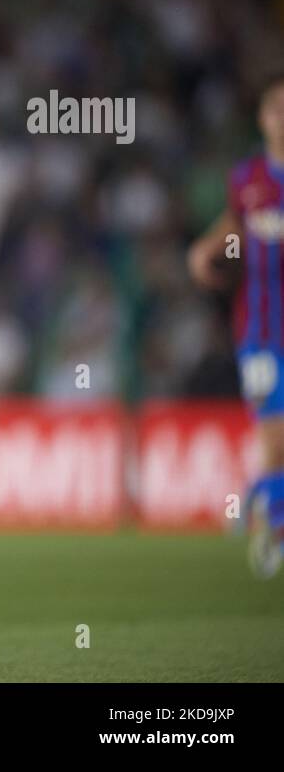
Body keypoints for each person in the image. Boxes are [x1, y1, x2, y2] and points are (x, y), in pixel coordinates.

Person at [189, 72, 284, 577]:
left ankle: (256, 499)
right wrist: (206, 250)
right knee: (274, 434)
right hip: (262, 330)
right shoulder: (248, 179)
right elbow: (232, 225)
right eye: (276, 108)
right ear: (263, 117)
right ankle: (274, 528)